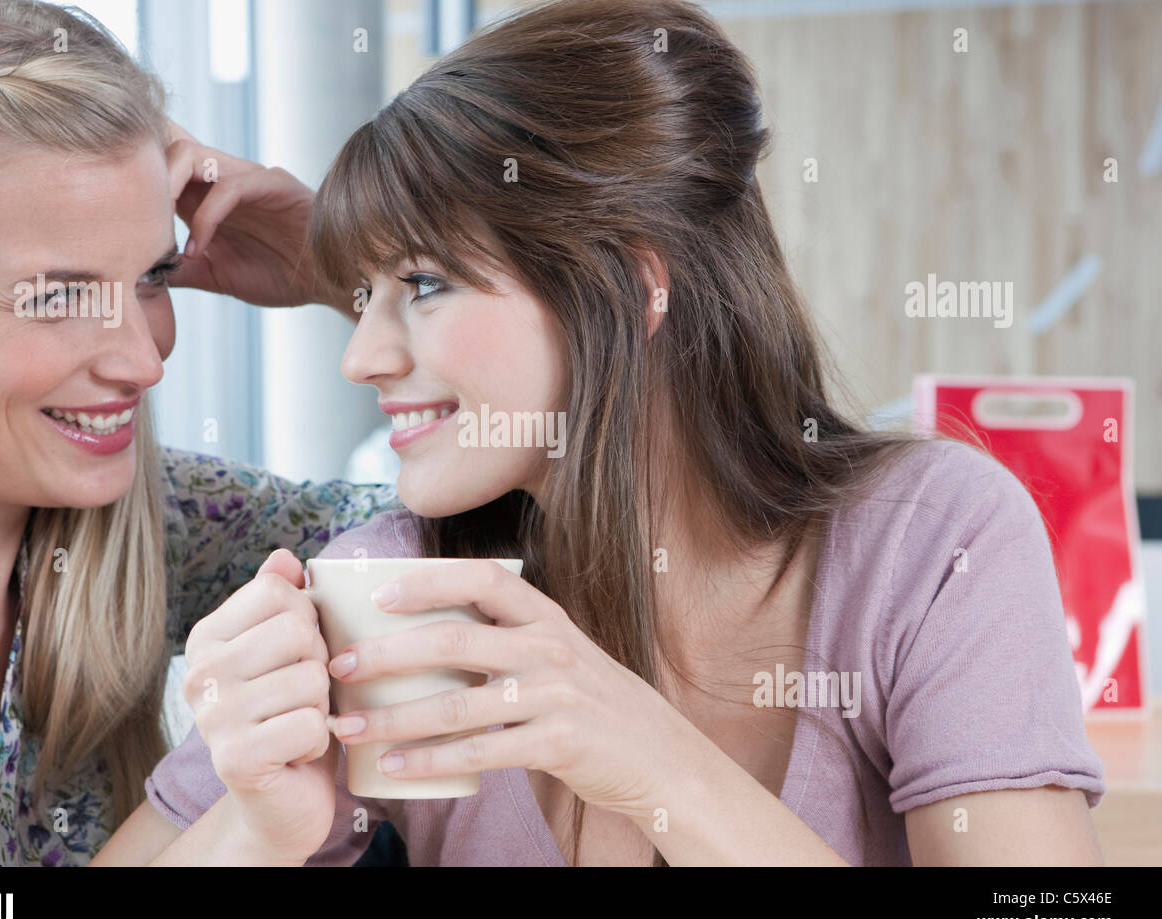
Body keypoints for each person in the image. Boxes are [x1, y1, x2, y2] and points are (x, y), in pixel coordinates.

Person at [127, 0, 1106, 866]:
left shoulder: (931, 539)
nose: (360, 356)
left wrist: (653, 762)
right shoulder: (396, 593)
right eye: (359, 293)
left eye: (421, 283)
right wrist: (257, 832)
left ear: (634, 286)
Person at [0, 0, 395, 866]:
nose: (143, 362)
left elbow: (553, 513)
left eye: (154, 277)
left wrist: (344, 268)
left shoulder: (159, 524)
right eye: (59, 295)